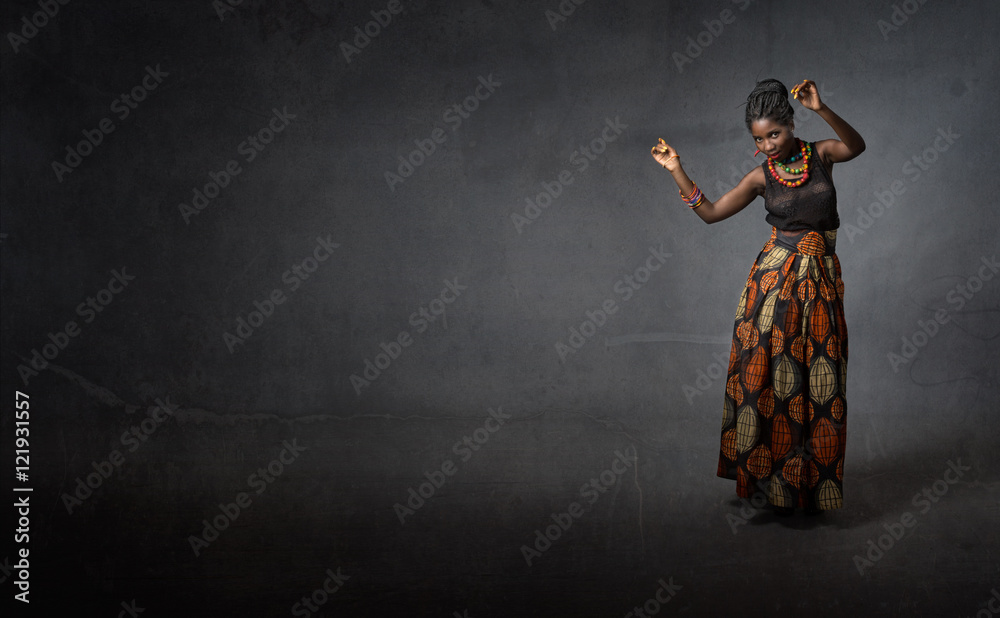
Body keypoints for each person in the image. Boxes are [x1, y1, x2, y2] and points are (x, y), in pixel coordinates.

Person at [651, 79, 865, 515]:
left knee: (820, 382)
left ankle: (809, 484)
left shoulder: (822, 154)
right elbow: (711, 213)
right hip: (773, 286)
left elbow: (856, 146)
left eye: (774, 134)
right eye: (758, 139)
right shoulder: (760, 178)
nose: (767, 145)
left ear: (791, 125)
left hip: (821, 282)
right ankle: (771, 484)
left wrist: (822, 108)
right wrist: (676, 169)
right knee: (770, 379)